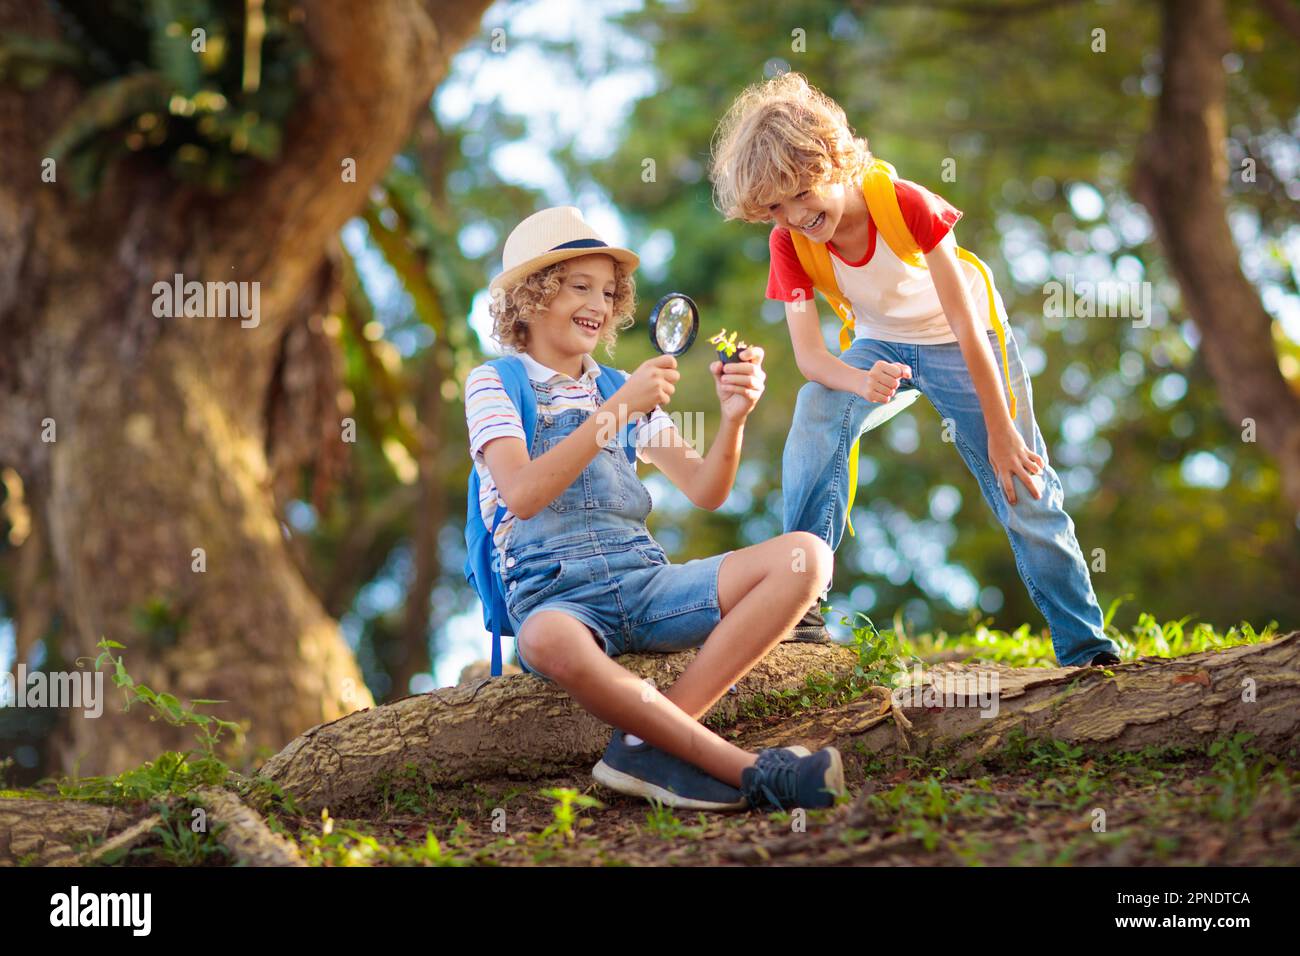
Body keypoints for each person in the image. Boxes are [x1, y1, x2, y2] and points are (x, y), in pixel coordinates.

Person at [708, 73, 1121, 668]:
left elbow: (964, 322)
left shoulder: (907, 205)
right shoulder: (788, 244)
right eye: (775, 206)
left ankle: (1085, 648)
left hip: (964, 342)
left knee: (1024, 483)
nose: (795, 215)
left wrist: (1002, 430)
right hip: (883, 343)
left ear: (834, 160)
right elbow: (811, 359)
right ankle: (799, 601)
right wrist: (859, 381)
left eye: (801, 193)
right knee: (816, 406)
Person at [466, 205, 847, 811]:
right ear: (532, 298)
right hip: (554, 593)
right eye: (579, 286)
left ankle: (643, 744)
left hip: (644, 580)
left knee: (806, 557)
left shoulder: (618, 385)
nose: (599, 302)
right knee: (545, 642)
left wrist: (734, 417)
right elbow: (523, 493)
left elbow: (706, 488)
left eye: (609, 291)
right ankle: (750, 771)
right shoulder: (495, 382)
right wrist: (615, 413)